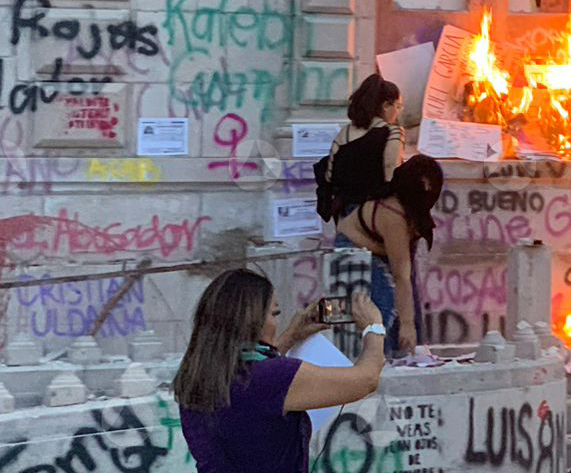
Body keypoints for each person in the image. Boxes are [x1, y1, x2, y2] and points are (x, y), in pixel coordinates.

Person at [175, 268, 385, 473]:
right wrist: (373, 327)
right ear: (252, 320)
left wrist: (291, 336)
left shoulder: (195, 375)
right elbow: (366, 380)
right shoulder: (270, 377)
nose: (277, 321)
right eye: (274, 313)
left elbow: (252, 381)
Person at [334, 153, 443, 355]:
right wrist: (407, 325)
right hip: (352, 250)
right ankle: (381, 358)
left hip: (373, 249)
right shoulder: (394, 215)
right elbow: (401, 276)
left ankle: (402, 353)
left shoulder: (409, 210)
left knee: (403, 299)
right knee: (385, 306)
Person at [314, 73, 405, 223]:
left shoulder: (345, 133)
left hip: (345, 213)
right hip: (376, 213)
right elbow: (392, 171)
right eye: (398, 106)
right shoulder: (392, 132)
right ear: (386, 105)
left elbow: (330, 175)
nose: (398, 111)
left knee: (347, 247)